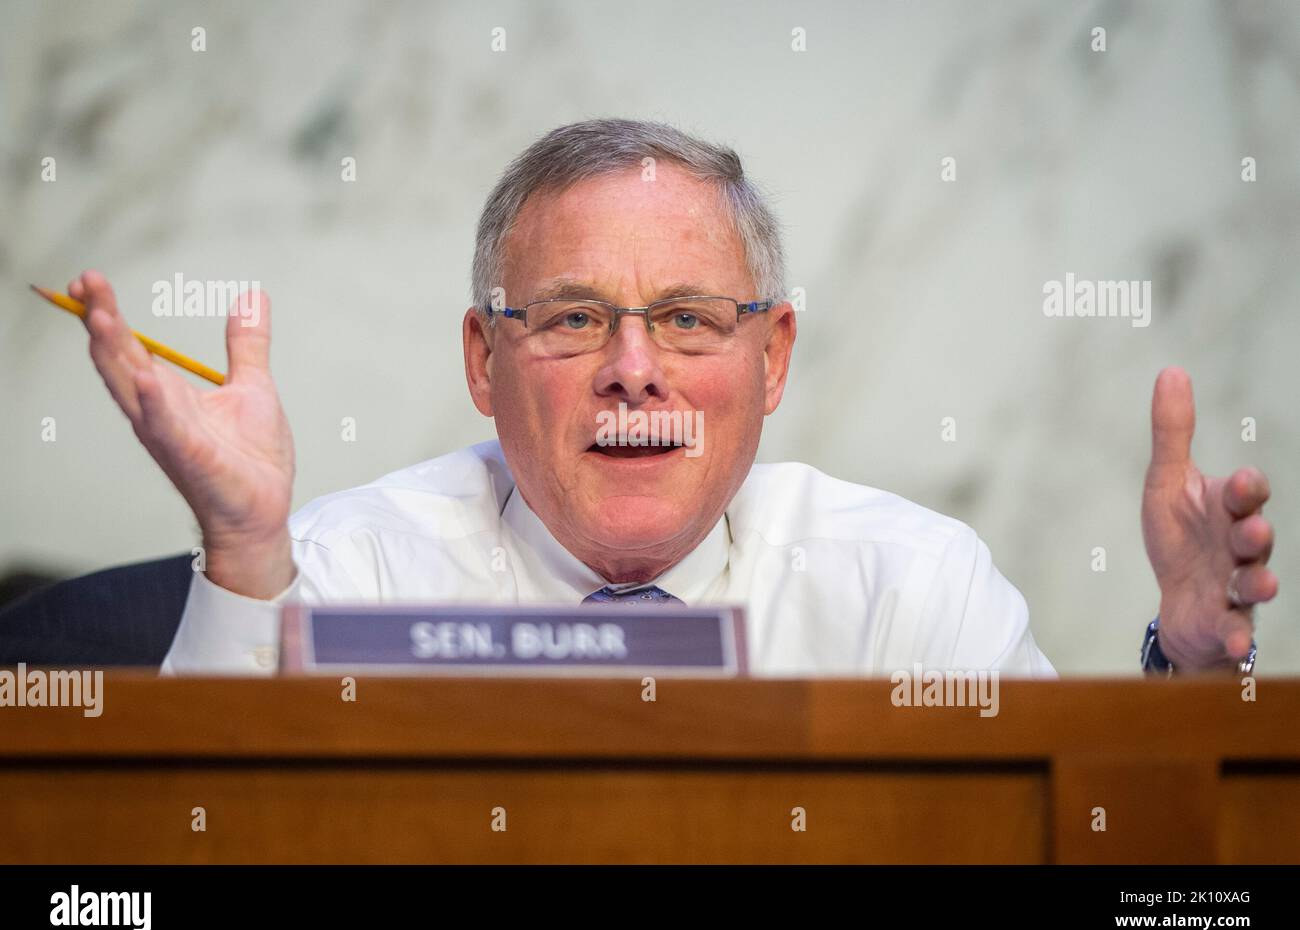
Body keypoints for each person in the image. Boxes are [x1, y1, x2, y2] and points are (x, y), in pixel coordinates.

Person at [67, 118, 1276, 676]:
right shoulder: (339, 571)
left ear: (775, 356)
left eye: (691, 319)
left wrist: (1182, 668)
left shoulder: (910, 587)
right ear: (484, 362)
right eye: (575, 316)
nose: (632, 367)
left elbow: (1110, 880)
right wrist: (237, 553)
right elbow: (182, 866)